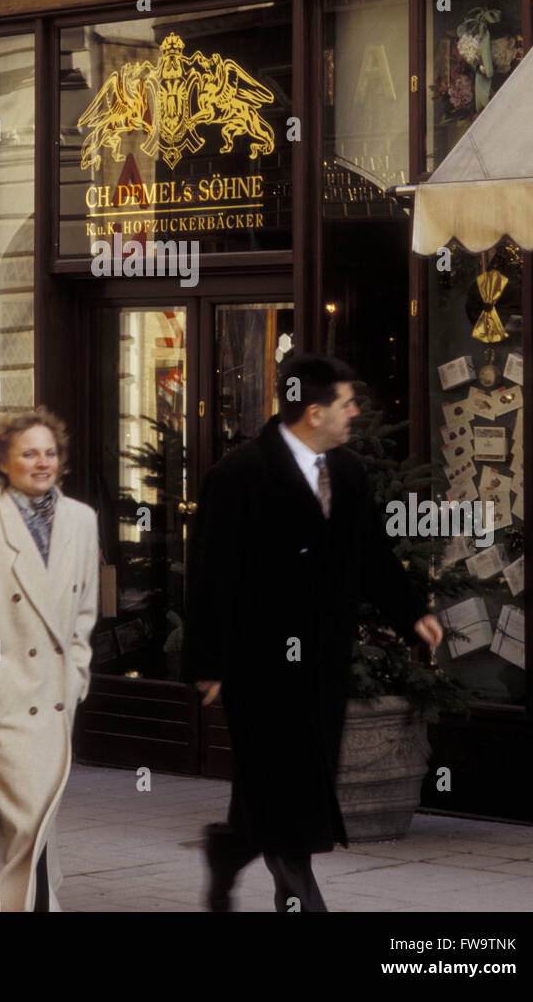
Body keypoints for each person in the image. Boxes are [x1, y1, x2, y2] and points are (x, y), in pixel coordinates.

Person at [183, 354, 443, 913]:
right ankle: (303, 902)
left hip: (323, 659)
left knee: (283, 785)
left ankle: (228, 850)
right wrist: (208, 662)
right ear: (314, 411)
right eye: (347, 404)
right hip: (259, 663)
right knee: (285, 783)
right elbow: (212, 573)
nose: (355, 413)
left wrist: (409, 612)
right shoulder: (239, 475)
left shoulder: (346, 472)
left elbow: (371, 553)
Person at [0, 406, 99, 912]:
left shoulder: (83, 520)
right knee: (29, 822)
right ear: (3, 463)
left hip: (54, 701)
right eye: (28, 453)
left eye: (50, 453)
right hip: (2, 705)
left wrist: (75, 678)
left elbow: (84, 616)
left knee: (27, 832)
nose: (42, 463)